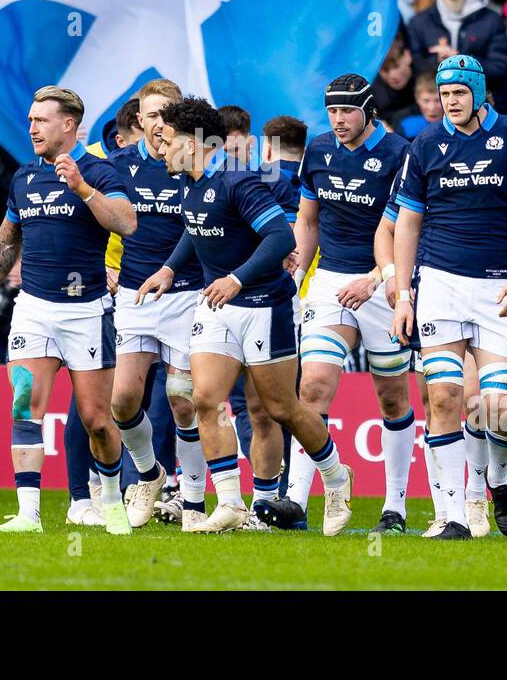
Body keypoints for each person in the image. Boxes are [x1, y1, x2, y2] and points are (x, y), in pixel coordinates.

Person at [136, 96, 354, 536]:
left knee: (279, 408)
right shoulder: (188, 183)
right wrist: (169, 268)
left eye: (169, 139)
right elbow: (196, 228)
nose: (162, 148)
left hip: (264, 305)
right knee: (205, 399)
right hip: (218, 307)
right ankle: (231, 503)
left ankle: (335, 478)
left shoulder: (239, 181)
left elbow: (279, 239)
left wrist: (236, 278)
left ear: (195, 143)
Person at [391, 54, 507, 539]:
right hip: (438, 282)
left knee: (500, 410)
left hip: (498, 284)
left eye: (459, 92)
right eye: (444, 94)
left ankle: (498, 480)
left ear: (479, 92)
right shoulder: (424, 144)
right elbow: (407, 224)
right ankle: (454, 516)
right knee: (443, 396)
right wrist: (403, 294)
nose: (450, 102)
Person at [0, 86, 137, 535]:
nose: (31, 129)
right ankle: (28, 515)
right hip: (34, 308)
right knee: (25, 405)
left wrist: (81, 188)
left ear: (68, 124)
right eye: (29, 121)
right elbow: (6, 240)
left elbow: (126, 222)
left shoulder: (101, 172)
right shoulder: (24, 177)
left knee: (97, 420)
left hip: (87, 311)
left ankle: (112, 506)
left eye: (40, 121)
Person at [277, 74, 414, 533]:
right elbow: (309, 220)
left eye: (347, 112)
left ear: (368, 111)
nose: (337, 120)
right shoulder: (317, 151)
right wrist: (295, 277)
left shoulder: (400, 154)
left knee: (392, 398)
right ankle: (296, 500)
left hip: (385, 281)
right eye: (332, 111)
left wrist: (379, 279)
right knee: (312, 386)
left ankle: (394, 508)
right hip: (331, 279)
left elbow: (408, 229)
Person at [102, 79, 206, 529]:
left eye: (167, 114)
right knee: (123, 401)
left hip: (186, 293)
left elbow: (203, 222)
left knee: (184, 401)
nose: (159, 123)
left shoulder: (191, 163)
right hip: (134, 295)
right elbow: (95, 217)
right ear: (138, 119)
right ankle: (149, 473)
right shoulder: (118, 165)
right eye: (151, 115)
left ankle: (196, 502)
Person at [405, 0, 507, 113]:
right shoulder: (419, 22)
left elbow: (501, 66)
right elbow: (414, 65)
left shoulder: (492, 20)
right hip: (435, 112)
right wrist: (439, 62)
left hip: (484, 110)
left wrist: (459, 61)